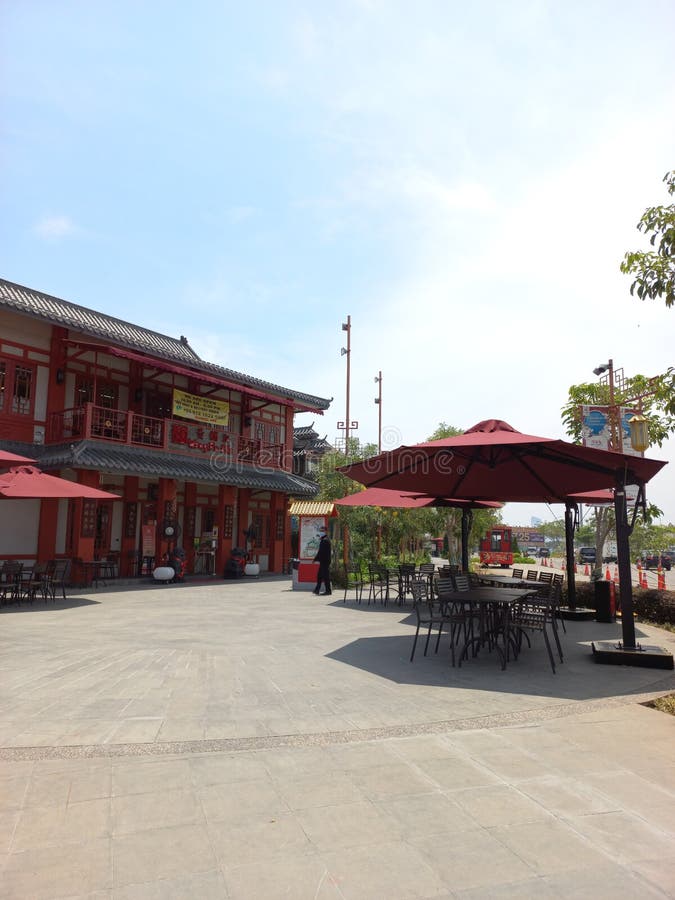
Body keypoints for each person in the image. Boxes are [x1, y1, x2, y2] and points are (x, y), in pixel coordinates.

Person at [313, 527, 332, 595]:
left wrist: (315, 559)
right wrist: (316, 559)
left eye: (322, 531)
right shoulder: (324, 539)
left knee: (325, 576)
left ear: (326, 532)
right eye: (320, 531)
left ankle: (328, 591)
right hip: (324, 561)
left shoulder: (325, 540)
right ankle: (317, 590)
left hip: (325, 561)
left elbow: (321, 552)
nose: (321, 532)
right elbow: (321, 551)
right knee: (320, 576)